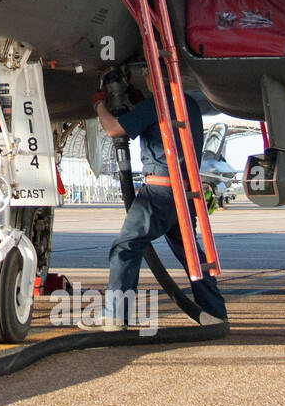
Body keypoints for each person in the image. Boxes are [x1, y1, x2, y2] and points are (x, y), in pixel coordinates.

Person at [91, 79, 228, 328]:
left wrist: (100, 106)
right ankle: (214, 312)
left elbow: (113, 129)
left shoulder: (157, 104)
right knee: (190, 254)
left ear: (151, 75)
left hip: (160, 192)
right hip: (186, 193)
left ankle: (115, 315)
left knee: (126, 248)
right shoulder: (189, 104)